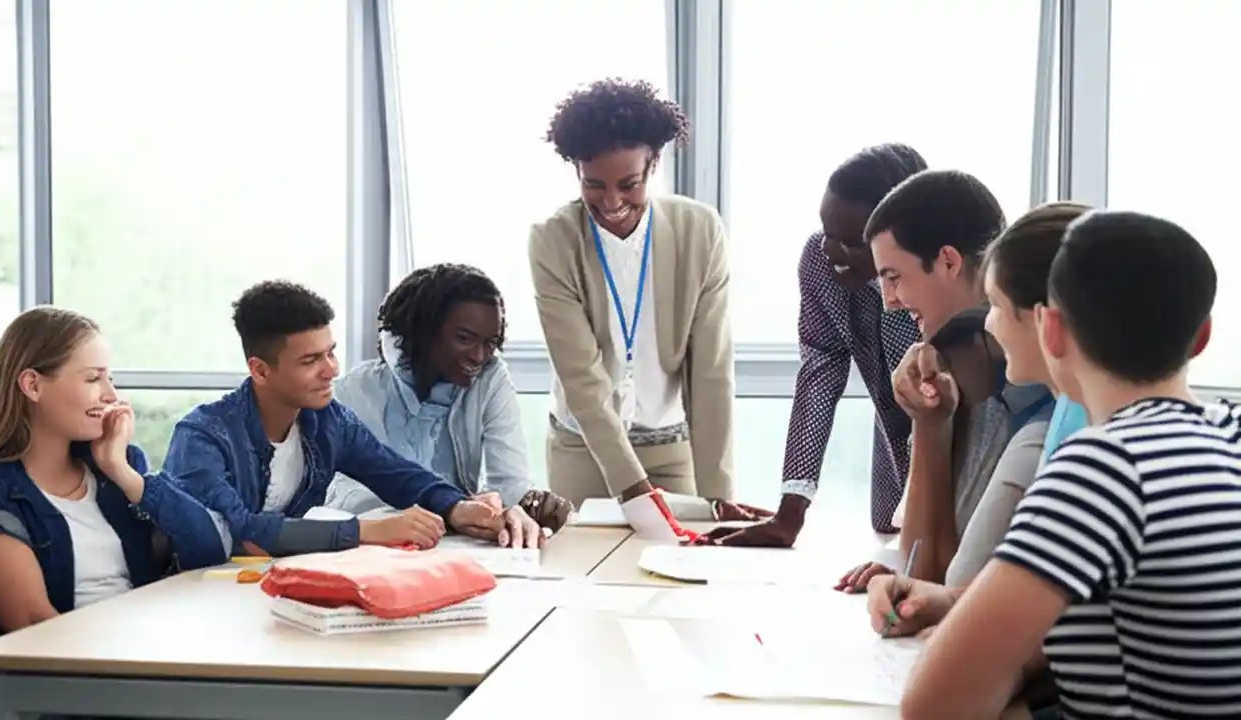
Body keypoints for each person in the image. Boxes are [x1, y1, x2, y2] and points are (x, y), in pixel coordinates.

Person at [895, 210, 1239, 720]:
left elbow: (934, 707)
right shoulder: (1227, 432)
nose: (987, 323)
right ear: (1201, 336)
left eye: (995, 306)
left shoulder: (1102, 468)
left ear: (1049, 330)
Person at [0, 308, 224, 714]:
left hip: (142, 666)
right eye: (92, 378)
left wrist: (121, 470)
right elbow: (32, 624)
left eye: (110, 378)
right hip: (65, 690)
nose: (110, 395)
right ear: (32, 385)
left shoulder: (118, 468)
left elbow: (209, 549)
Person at [164, 281, 542, 556]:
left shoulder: (326, 422)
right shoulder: (201, 437)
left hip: (265, 590)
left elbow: (396, 474)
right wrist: (364, 530)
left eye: (330, 353)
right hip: (198, 597)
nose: (331, 370)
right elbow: (238, 535)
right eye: (311, 361)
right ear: (260, 371)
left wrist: (458, 509)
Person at [531, 77, 763, 523]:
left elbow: (712, 372)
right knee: (587, 581)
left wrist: (718, 499)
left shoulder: (700, 231)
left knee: (681, 573)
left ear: (654, 164)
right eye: (594, 184)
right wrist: (636, 494)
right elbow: (581, 378)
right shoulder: (553, 240)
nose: (612, 201)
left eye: (628, 183)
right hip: (583, 450)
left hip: (671, 449)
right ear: (576, 170)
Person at [704, 144, 927, 548]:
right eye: (826, 232)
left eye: (849, 241)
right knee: (888, 535)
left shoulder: (936, 282)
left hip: (950, 453)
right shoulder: (821, 263)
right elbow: (819, 377)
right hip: (894, 446)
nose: (828, 249)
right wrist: (790, 512)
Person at [829, 169, 1028, 589]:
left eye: (894, 277)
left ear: (949, 262)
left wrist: (917, 577)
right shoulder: (945, 369)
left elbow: (942, 576)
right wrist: (929, 423)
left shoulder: (1025, 390)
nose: (890, 301)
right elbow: (923, 564)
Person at [325, 263, 575, 531]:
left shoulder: (489, 378)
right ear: (423, 329)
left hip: (454, 542)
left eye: (490, 343)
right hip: (375, 544)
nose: (479, 356)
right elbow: (342, 502)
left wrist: (527, 505)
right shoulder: (350, 394)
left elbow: (509, 483)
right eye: (465, 338)